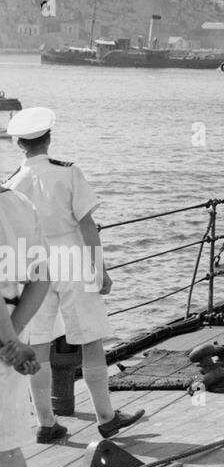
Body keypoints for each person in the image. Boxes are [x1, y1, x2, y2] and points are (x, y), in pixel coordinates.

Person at [4, 107, 144, 441]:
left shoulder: (12, 183)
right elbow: (87, 225)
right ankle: (106, 417)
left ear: (19, 144)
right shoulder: (68, 173)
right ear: (49, 138)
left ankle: (46, 423)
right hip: (72, 261)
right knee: (90, 340)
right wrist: (100, 268)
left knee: (38, 343)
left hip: (34, 266)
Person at [1, 181, 50, 467]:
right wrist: (14, 340)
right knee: (6, 443)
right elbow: (42, 277)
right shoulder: (19, 203)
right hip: (14, 320)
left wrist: (9, 343)